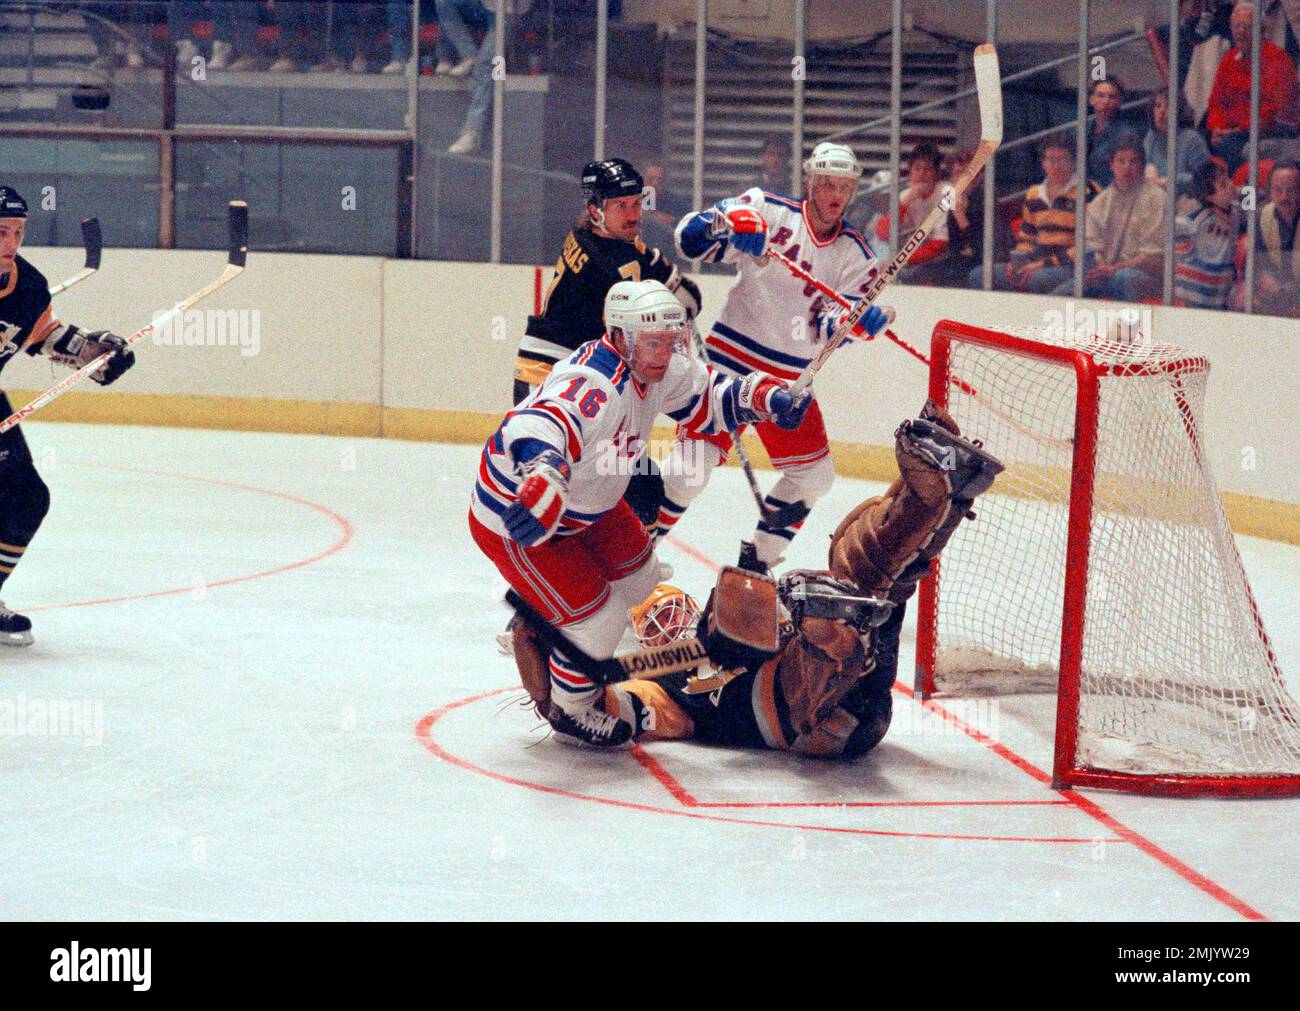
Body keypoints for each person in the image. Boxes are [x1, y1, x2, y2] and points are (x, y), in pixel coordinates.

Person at [507, 400, 1004, 759]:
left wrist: (783, 614)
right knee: (833, 616)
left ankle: (944, 493)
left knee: (850, 556)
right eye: (655, 621)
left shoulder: (715, 625)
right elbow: (615, 715)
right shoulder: (656, 683)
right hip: (823, 728)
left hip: (831, 682)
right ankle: (926, 509)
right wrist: (558, 702)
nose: (667, 622)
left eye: (671, 607)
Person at [471, 279, 811, 748]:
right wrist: (544, 469)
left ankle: (545, 618)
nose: (664, 352)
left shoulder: (655, 367)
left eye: (670, 342)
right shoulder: (595, 382)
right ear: (620, 336)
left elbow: (710, 394)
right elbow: (539, 422)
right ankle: (572, 709)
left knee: (642, 578)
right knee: (601, 619)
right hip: (524, 516)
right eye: (653, 342)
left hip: (591, 505)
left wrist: (765, 399)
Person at [657, 142, 890, 574]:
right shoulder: (767, 208)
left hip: (787, 382)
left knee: (815, 478)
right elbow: (689, 240)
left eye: (844, 186)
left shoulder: (858, 256)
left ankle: (756, 564)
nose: (836, 194)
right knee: (690, 470)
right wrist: (720, 225)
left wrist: (857, 326)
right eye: (827, 184)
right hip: (729, 363)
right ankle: (627, 558)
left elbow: (828, 327)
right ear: (810, 182)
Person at [512, 158, 700, 530]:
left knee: (636, 490)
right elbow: (648, 285)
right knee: (587, 495)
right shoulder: (608, 264)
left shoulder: (602, 237)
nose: (634, 214)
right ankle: (537, 584)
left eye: (636, 202)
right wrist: (677, 301)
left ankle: (614, 578)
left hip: (573, 377)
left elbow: (647, 262)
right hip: (553, 383)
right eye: (622, 206)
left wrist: (672, 283)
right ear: (596, 210)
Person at [0, 187, 136, 645]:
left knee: (25, 499)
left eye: (17, 232)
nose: (9, 244)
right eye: (0, 231)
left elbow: (44, 336)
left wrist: (91, 353)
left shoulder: (30, 286)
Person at [970, 135, 1099, 293]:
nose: (1057, 166)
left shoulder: (1088, 191)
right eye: (1051, 159)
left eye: (1063, 159)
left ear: (1074, 161)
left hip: (1068, 266)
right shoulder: (1034, 194)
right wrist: (1018, 263)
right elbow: (1026, 238)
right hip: (1035, 264)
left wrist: (1043, 264)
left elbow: (1088, 245)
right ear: (1043, 163)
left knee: (1036, 279)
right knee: (980, 275)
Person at [1052, 137, 1167, 300]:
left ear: (1142, 165)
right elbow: (1090, 246)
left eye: (1133, 161)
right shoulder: (1100, 202)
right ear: (1112, 165)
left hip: (1145, 277)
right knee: (1060, 295)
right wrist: (1098, 269)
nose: (1127, 167)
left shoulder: (1157, 198)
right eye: (1121, 161)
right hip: (1105, 273)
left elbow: (1153, 257)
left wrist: (1114, 269)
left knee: (1124, 278)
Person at [1205, 1, 1300, 172]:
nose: (1240, 32)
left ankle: (1243, 191)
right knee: (1201, 139)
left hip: (1272, 130)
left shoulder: (1277, 59)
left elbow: (1272, 112)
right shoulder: (1229, 60)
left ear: (1262, 31)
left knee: (1229, 144)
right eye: (1236, 26)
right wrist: (1217, 128)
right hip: (1236, 131)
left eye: (1247, 27)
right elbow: (1216, 103)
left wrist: (1234, 131)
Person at [873, 142, 952, 276]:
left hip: (934, 259)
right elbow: (882, 233)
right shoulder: (906, 195)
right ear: (910, 172)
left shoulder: (946, 192)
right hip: (907, 255)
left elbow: (940, 244)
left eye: (927, 169)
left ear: (937, 173)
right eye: (917, 168)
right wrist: (905, 203)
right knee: (879, 244)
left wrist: (901, 261)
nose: (921, 174)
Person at [1174, 157, 1240, 308]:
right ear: (1208, 196)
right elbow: (1176, 233)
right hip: (1194, 295)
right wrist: (1191, 259)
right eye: (1223, 185)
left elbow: (1252, 197)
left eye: (1229, 179)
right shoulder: (1200, 219)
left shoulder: (1236, 211)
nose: (1231, 185)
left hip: (1219, 295)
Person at [1238, 159, 1300, 314]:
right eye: (1278, 190)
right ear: (1270, 191)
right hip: (1277, 292)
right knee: (1240, 298)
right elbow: (1256, 263)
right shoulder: (1262, 217)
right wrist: (1263, 278)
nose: (1284, 197)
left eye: (1291, 190)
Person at [1144, 89, 1212, 195]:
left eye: (1168, 106)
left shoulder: (1192, 139)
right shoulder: (1151, 136)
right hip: (1157, 196)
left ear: (1179, 111)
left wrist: (1171, 181)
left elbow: (1205, 178)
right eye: (1158, 106)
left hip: (1187, 197)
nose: (1162, 111)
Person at [1086, 78, 1131, 188]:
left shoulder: (1125, 135)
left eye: (1111, 97)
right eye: (1101, 96)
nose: (1106, 101)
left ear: (1119, 102)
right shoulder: (1081, 129)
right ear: (1091, 99)